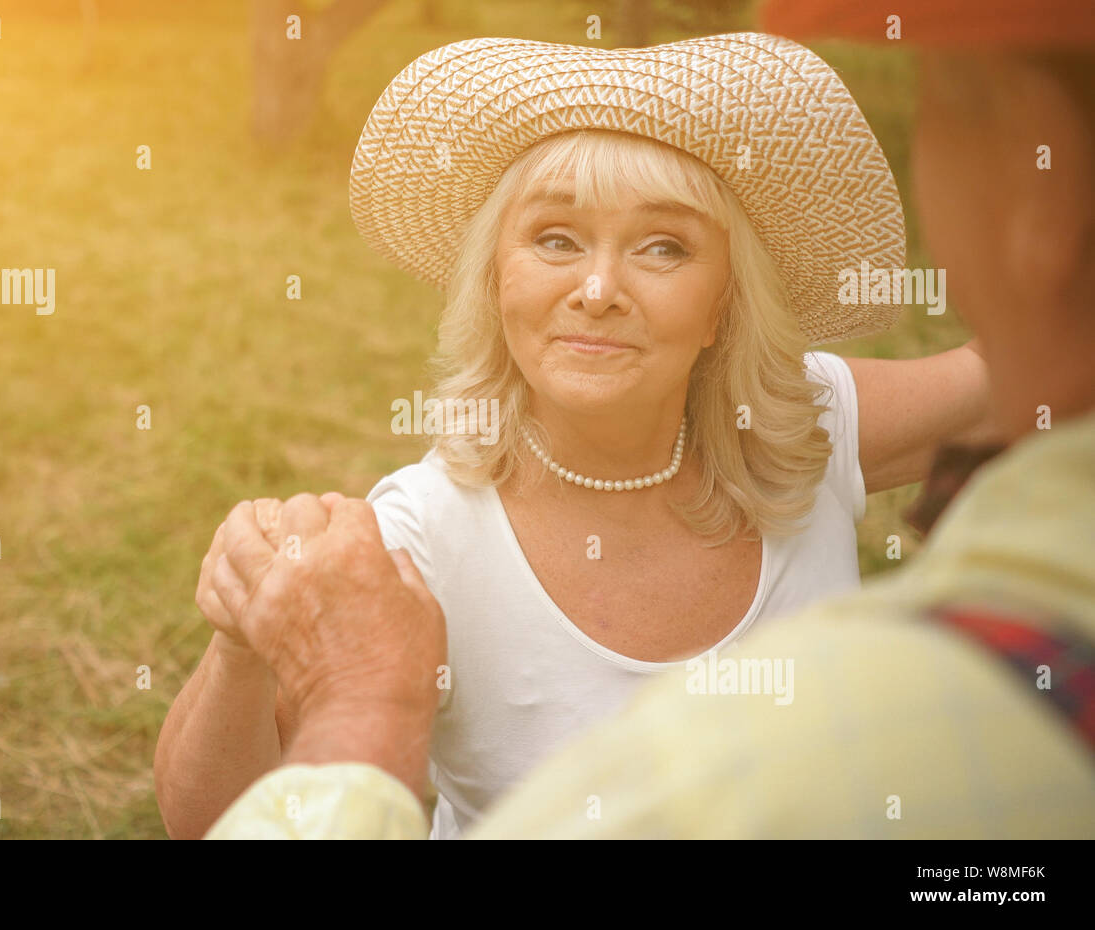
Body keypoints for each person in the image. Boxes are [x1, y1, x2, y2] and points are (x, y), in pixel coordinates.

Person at [162, 31, 1012, 840]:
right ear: (497, 279)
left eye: (663, 247)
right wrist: (240, 645)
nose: (599, 289)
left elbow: (1023, 382)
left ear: (722, 305)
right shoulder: (423, 533)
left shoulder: (805, 423)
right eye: (556, 239)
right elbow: (210, 823)